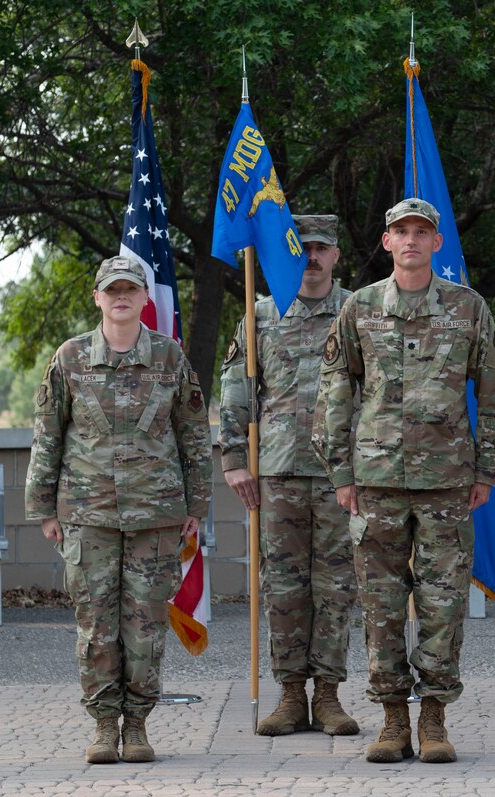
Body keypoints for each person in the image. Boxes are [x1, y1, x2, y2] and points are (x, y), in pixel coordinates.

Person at [313, 197, 495, 764]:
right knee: (380, 605)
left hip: (447, 481)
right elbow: (334, 392)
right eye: (401, 231)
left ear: (436, 242)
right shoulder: (359, 309)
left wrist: (487, 468)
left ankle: (433, 719)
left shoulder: (468, 308)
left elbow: (494, 392)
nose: (410, 240)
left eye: (421, 232)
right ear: (386, 242)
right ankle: (393, 720)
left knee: (442, 604)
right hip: (375, 481)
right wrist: (340, 472)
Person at [26, 255, 213, 765]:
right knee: (96, 625)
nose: (122, 297)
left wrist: (197, 504)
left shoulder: (170, 358)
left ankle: (138, 726)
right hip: (88, 515)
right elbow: (48, 435)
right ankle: (105, 725)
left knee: (145, 626)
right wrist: (44, 508)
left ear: (145, 297)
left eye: (131, 289)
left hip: (156, 516)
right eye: (112, 290)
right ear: (98, 298)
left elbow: (194, 437)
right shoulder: (70, 358)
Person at [218, 214, 359, 737]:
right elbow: (236, 390)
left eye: (322, 248)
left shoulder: (358, 312)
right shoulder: (260, 314)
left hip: (342, 473)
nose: (312, 258)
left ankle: (328, 696)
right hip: (276, 470)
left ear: (336, 255)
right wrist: (234, 460)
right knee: (282, 586)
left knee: (337, 586)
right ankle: (291, 695)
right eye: (303, 247)